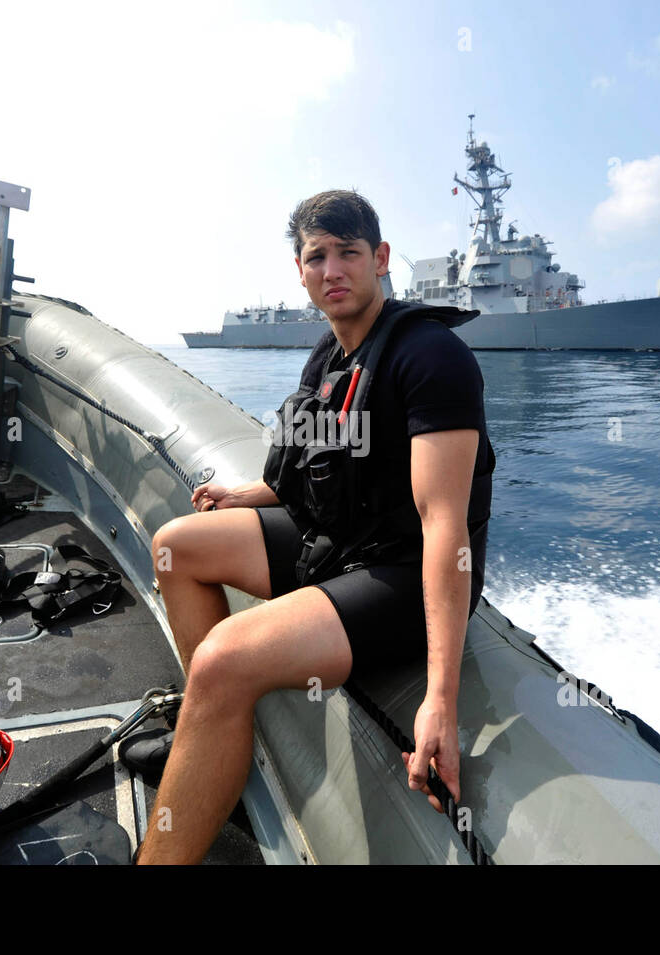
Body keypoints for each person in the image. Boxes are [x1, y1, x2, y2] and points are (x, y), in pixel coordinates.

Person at [136, 189, 494, 864]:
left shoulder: (431, 357)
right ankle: (215, 739)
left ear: (381, 259)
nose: (333, 270)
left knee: (222, 660)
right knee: (174, 548)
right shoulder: (326, 362)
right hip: (336, 542)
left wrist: (439, 698)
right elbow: (304, 475)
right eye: (316, 256)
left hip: (401, 577)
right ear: (299, 271)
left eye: (348, 253)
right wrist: (244, 494)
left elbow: (445, 527)